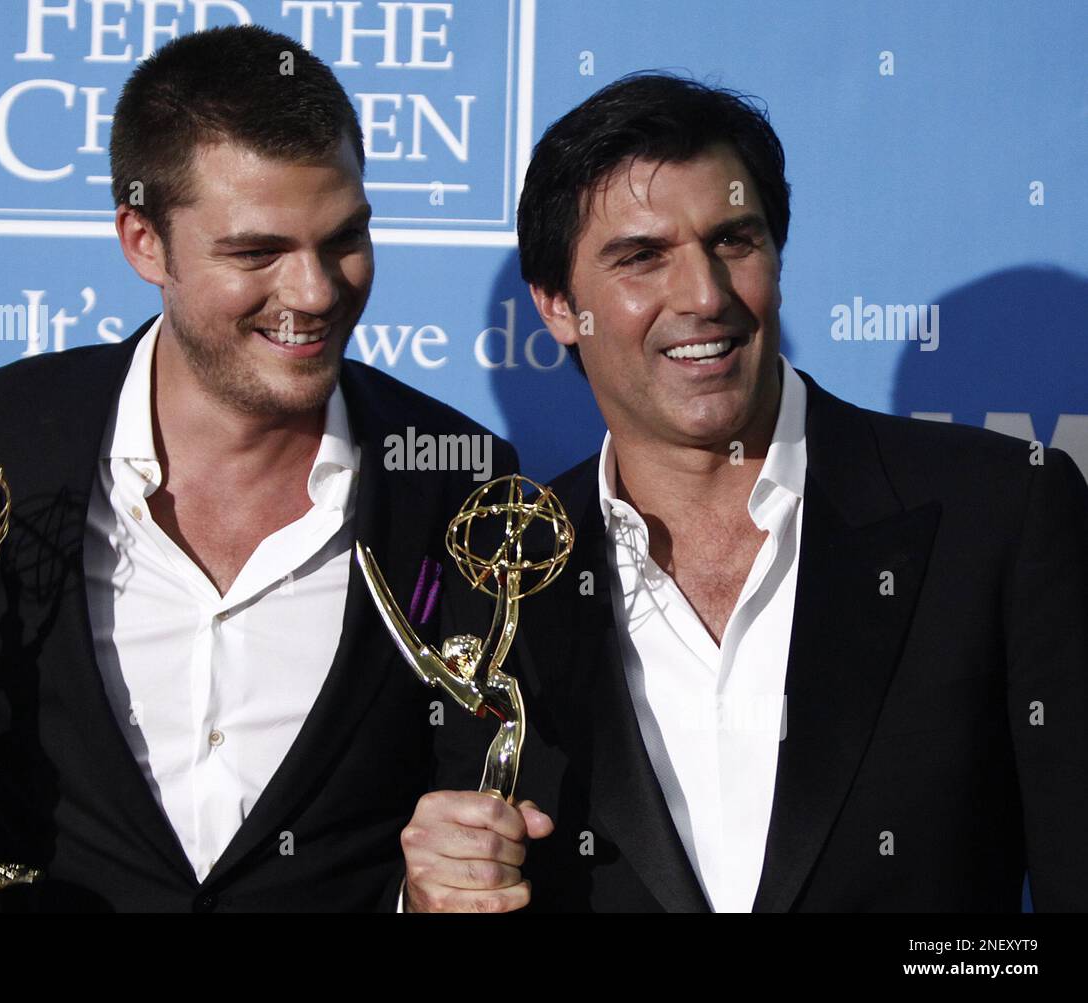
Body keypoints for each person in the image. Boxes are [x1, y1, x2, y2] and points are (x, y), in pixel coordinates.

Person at [0, 25, 514, 912]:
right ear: (143, 241)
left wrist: (438, 888)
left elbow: (478, 778)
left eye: (344, 239)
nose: (316, 291)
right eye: (257, 253)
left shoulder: (456, 478)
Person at [400, 72, 1088, 912]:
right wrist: (428, 895)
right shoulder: (499, 576)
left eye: (733, 241)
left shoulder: (1000, 515)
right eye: (642, 257)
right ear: (555, 307)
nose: (703, 296)